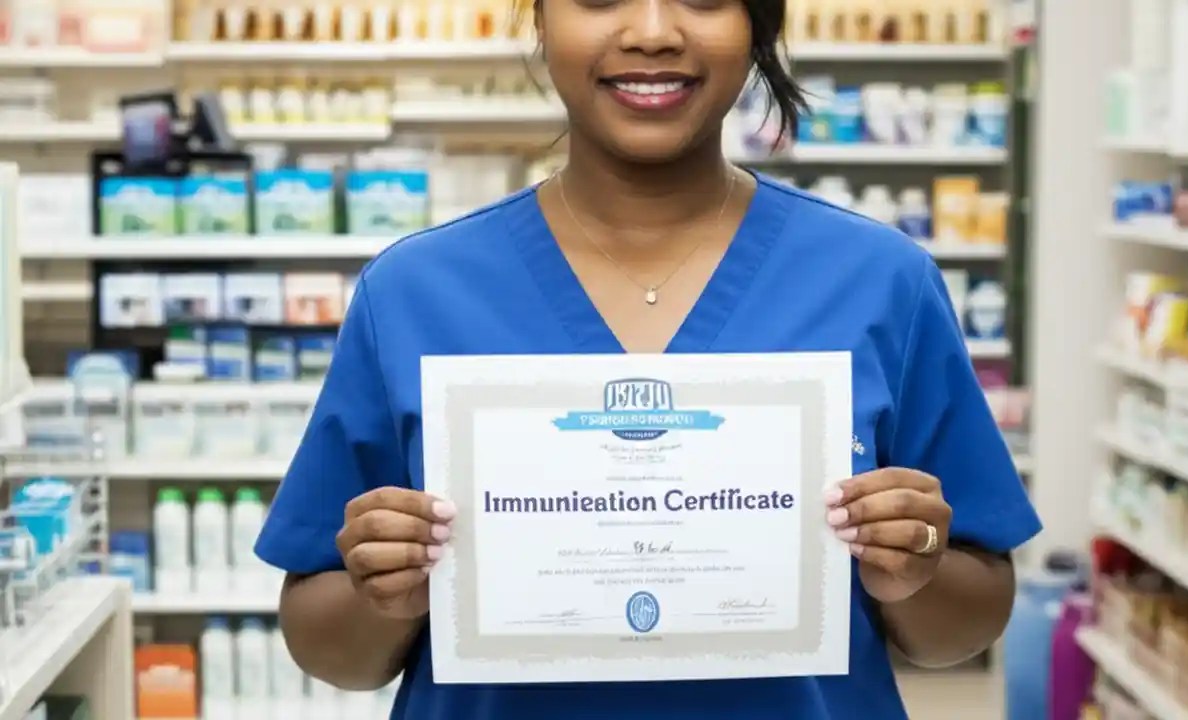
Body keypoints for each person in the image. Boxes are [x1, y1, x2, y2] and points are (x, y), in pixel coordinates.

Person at [254, 1, 1043, 718]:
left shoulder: (880, 281)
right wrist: (384, 595)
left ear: (759, 23)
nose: (654, 30)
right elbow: (331, 650)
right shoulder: (414, 291)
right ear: (539, 17)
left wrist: (914, 574)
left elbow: (959, 629)